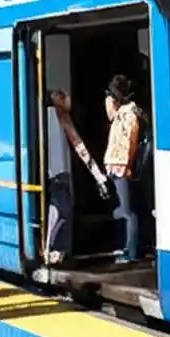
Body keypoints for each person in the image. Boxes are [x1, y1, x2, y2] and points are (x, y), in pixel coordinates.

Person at [46, 90, 110, 265]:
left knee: (59, 211)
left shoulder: (44, 116)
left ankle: (54, 250)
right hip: (57, 174)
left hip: (53, 174)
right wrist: (97, 175)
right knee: (61, 211)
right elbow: (78, 145)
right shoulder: (58, 117)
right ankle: (53, 249)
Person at [102, 74, 148, 262]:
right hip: (115, 165)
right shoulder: (122, 114)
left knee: (128, 211)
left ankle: (132, 251)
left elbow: (128, 142)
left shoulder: (128, 114)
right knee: (121, 209)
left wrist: (123, 165)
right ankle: (125, 247)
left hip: (121, 166)